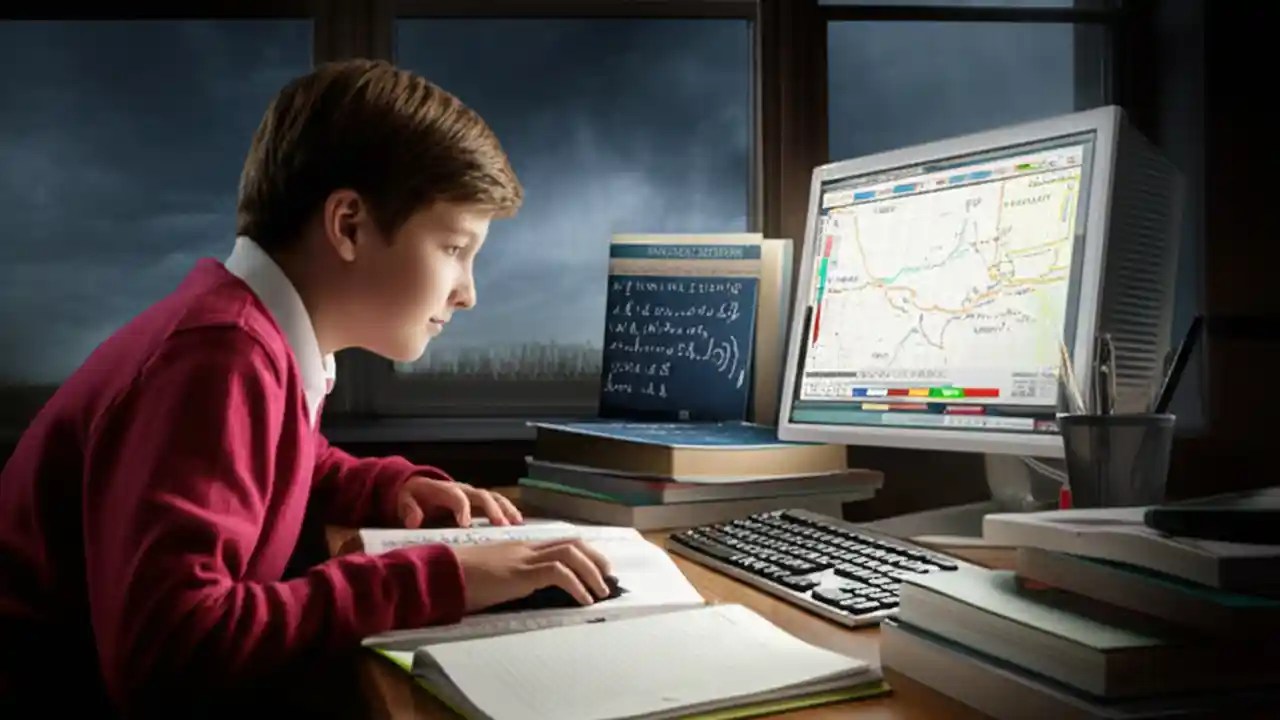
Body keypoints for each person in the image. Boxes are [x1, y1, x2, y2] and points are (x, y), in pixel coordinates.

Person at [0, 59, 611, 716]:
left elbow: (273, 461)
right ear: (348, 225)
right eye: (455, 248)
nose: (467, 293)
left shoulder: (250, 338)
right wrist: (441, 578)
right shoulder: (218, 361)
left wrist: (387, 487)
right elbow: (169, 653)